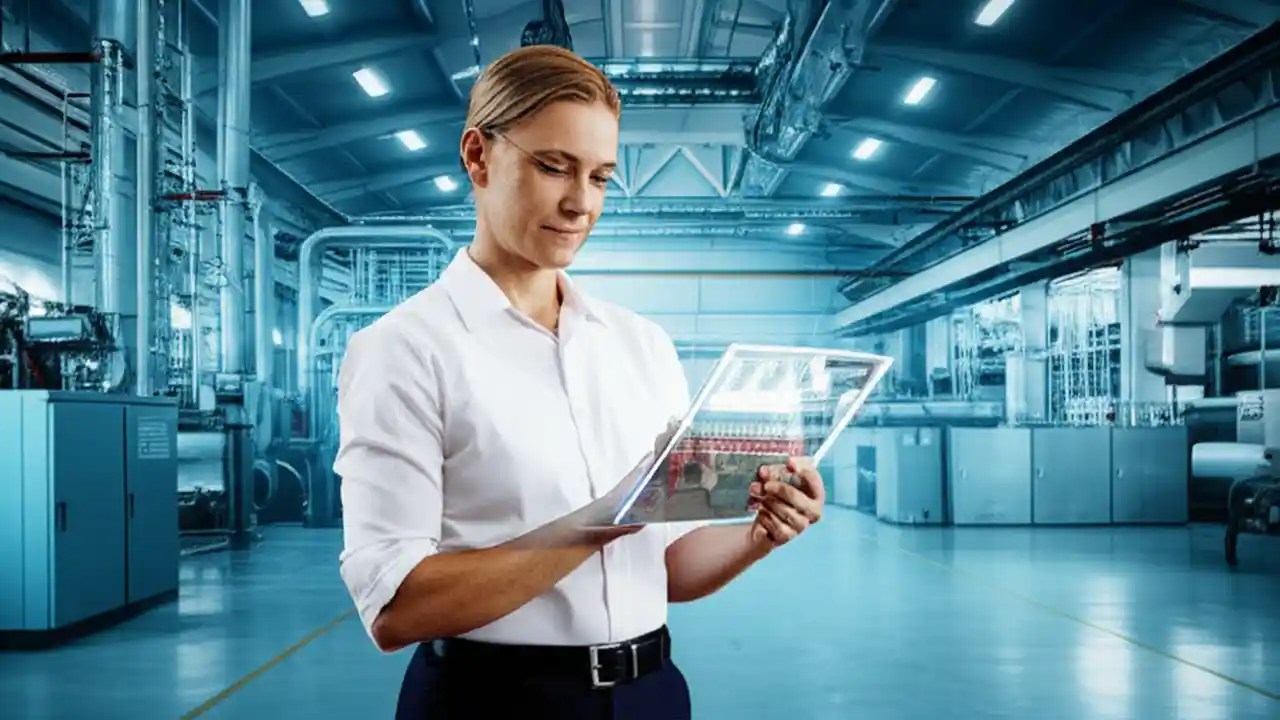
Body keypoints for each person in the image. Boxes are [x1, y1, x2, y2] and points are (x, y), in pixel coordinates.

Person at [333, 44, 827, 719]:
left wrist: (757, 534)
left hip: (651, 691)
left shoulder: (640, 345)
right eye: (552, 167)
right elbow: (395, 608)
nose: (580, 204)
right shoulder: (405, 350)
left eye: (600, 176)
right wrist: (605, 518)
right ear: (478, 156)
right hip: (491, 701)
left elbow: (668, 566)